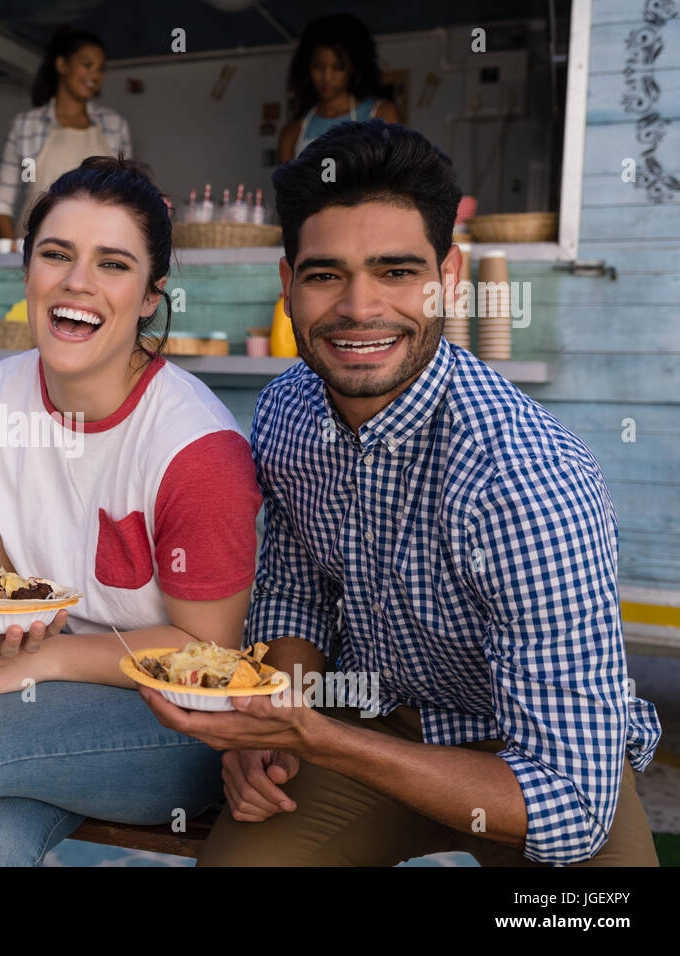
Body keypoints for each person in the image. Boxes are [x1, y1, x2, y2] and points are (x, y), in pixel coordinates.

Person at [140, 119, 662, 867]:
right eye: (325, 275)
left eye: (395, 272)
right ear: (288, 287)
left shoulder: (526, 480)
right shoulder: (289, 411)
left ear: (447, 279)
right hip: (373, 724)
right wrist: (270, 728)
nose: (359, 307)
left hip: (533, 758)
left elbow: (573, 808)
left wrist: (317, 736)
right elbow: (296, 591)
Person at [0, 156, 263, 867]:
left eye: (113, 264)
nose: (78, 282)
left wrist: (47, 659)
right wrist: (19, 657)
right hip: (43, 698)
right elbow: (1, 597)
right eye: (57, 255)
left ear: (151, 296)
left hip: (178, 723)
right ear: (27, 274)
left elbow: (210, 658)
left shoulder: (197, 449)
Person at [0, 26, 132, 240]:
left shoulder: (115, 126)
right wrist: (11, 255)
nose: (95, 75)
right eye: (87, 64)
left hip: (101, 243)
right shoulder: (26, 125)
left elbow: (127, 196)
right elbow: (1, 202)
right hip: (36, 246)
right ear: (62, 64)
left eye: (101, 68)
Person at [278, 14, 400, 163]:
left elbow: (397, 178)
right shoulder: (293, 133)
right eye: (319, 67)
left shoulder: (381, 114)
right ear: (307, 68)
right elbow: (287, 186)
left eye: (338, 68)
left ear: (353, 68)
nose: (327, 77)